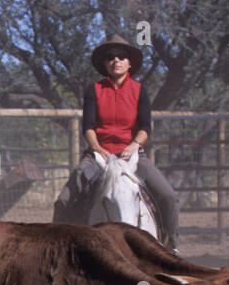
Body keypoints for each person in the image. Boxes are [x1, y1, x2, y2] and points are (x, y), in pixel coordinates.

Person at [61, 35, 177, 247]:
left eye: (121, 56)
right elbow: (88, 126)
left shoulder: (139, 90)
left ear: (129, 62)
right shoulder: (94, 90)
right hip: (98, 155)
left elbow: (145, 126)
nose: (116, 60)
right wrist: (97, 148)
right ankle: (59, 247)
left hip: (131, 155)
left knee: (168, 195)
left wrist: (134, 145)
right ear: (105, 64)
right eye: (110, 57)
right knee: (64, 199)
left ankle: (172, 246)